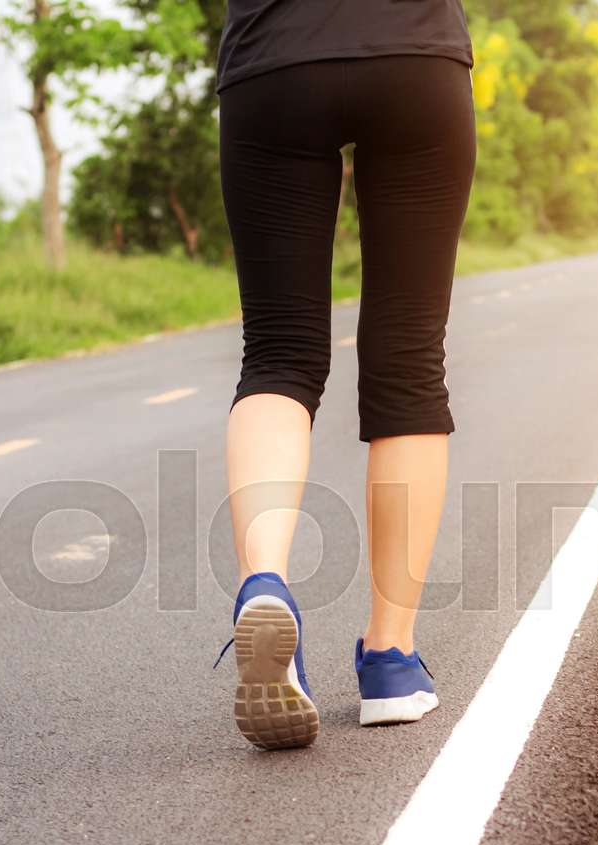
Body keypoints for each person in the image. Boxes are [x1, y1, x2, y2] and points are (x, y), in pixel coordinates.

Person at [214, 0, 476, 750]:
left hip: (275, 62)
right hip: (415, 53)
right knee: (409, 360)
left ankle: (264, 582)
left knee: (277, 353)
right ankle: (391, 659)